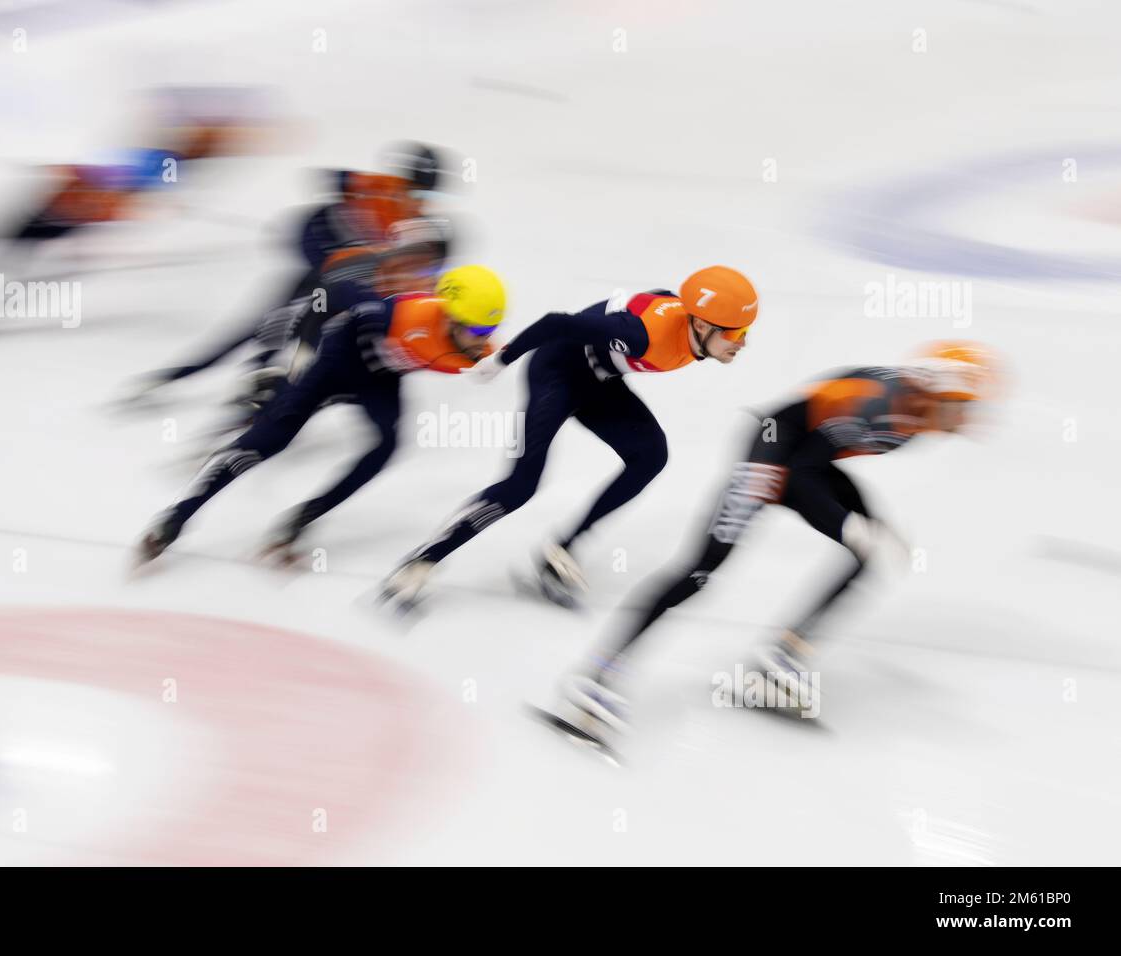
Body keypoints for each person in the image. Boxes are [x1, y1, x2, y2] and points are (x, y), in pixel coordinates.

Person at [544, 342, 1002, 756]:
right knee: (701, 571)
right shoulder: (880, 407)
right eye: (967, 408)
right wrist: (849, 524)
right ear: (944, 394)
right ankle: (596, 678)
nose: (969, 421)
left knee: (870, 546)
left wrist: (860, 529)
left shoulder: (915, 417)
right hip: (770, 451)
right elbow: (797, 473)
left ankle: (778, 661)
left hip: (805, 453)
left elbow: (814, 460)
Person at [379, 265, 759, 611]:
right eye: (735, 333)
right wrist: (500, 360)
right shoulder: (641, 336)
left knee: (650, 456)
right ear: (703, 326)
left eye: (745, 332)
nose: (742, 344)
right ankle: (422, 561)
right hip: (556, 373)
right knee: (520, 486)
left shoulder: (686, 327)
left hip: (599, 380)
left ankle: (560, 551)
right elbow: (557, 323)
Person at [133, 264, 507, 566]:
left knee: (386, 446)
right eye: (477, 329)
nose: (482, 337)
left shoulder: (478, 348)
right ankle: (176, 517)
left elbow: (513, 349)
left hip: (379, 380)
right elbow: (329, 292)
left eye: (489, 329)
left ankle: (302, 517)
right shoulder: (402, 316)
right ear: (449, 317)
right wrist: (301, 356)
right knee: (268, 442)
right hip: (334, 364)